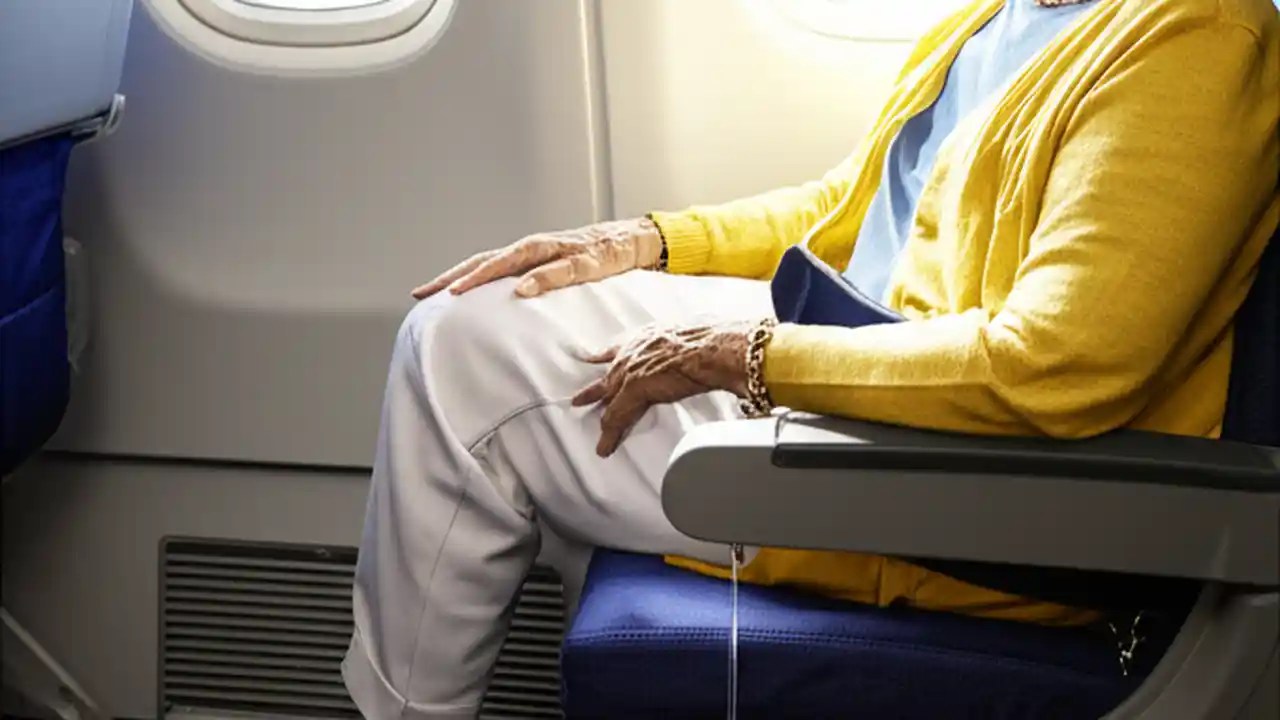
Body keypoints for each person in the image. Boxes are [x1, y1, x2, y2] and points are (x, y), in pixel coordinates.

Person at [342, 0, 1280, 716]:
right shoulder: (1021, 13)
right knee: (482, 316)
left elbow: (1054, 364)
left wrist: (751, 358)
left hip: (934, 468)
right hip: (869, 359)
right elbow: (856, 209)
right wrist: (648, 240)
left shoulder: (1195, 41)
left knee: (456, 363)